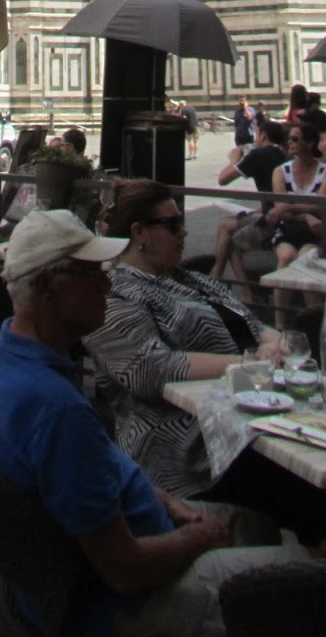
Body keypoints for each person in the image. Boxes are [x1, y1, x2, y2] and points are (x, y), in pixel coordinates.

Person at [0, 207, 297, 637]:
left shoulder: (8, 358)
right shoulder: (56, 411)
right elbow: (125, 569)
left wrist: (159, 497)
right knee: (311, 582)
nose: (109, 284)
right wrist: (198, 540)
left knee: (260, 524)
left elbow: (88, 471)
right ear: (49, 287)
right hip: (129, 601)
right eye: (93, 274)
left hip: (95, 560)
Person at [85, 180, 274, 498]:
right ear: (140, 233)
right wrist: (250, 363)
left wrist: (274, 342)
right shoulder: (116, 294)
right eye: (173, 225)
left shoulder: (192, 279)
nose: (184, 232)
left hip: (252, 418)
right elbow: (152, 368)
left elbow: (255, 324)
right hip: (191, 449)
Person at [209, 120, 288, 283]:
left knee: (226, 228)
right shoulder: (282, 154)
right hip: (281, 214)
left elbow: (223, 179)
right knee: (234, 223)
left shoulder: (258, 155)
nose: (255, 139)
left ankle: (222, 281)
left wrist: (234, 159)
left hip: (273, 222)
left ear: (264, 136)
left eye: (257, 135)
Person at [263, 123, 326, 269]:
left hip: (315, 233)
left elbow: (318, 205)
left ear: (310, 143)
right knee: (286, 257)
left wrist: (288, 206)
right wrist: (306, 216)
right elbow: (279, 208)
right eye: (289, 138)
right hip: (287, 229)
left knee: (306, 258)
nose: (289, 142)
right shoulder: (281, 171)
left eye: (295, 139)